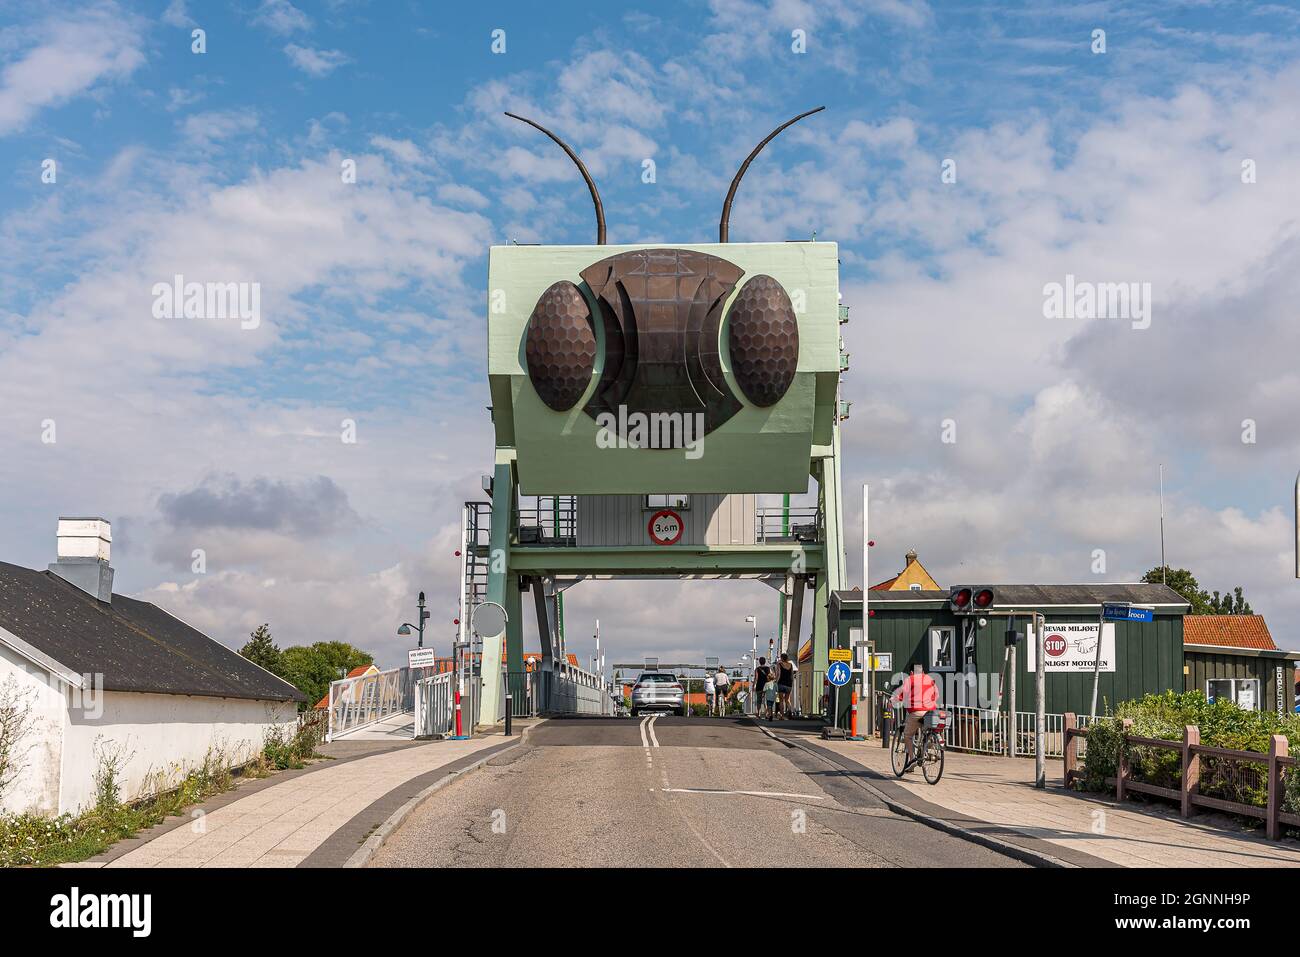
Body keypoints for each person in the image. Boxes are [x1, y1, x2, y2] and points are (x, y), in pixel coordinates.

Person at [891, 663, 938, 767]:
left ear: (911, 672)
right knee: (926, 730)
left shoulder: (910, 680)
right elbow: (936, 694)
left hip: (917, 711)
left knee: (907, 735)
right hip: (931, 712)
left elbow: (900, 694)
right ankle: (928, 744)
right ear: (923, 672)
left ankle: (912, 760)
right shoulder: (929, 679)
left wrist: (894, 699)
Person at [775, 653, 796, 719]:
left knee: (781, 700)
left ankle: (782, 716)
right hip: (789, 684)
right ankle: (790, 712)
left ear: (781, 658)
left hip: (781, 683)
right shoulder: (791, 664)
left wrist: (776, 682)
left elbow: (778, 674)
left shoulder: (779, 664)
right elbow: (792, 675)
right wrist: (791, 683)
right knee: (787, 700)